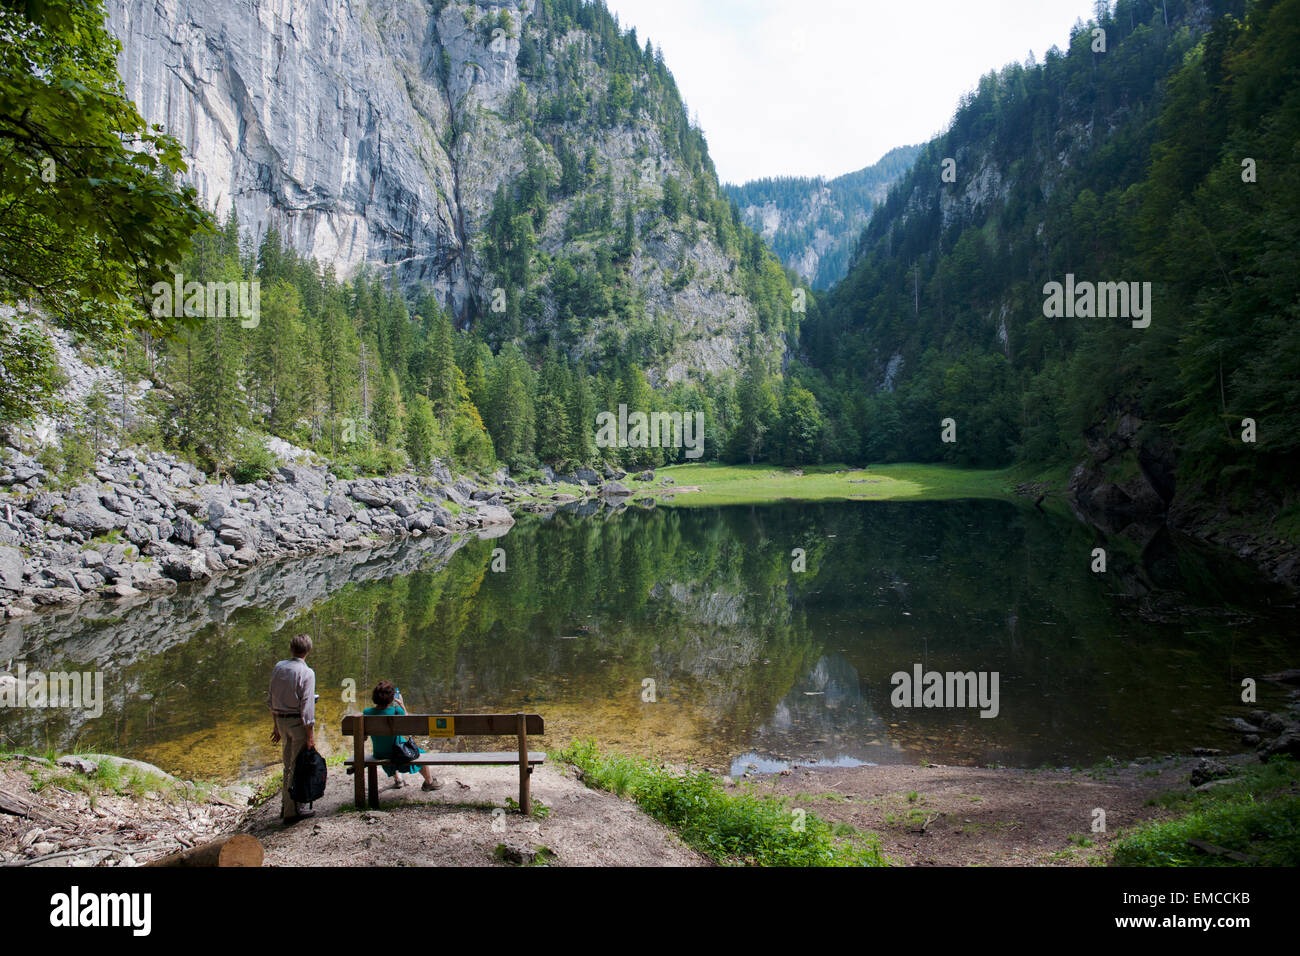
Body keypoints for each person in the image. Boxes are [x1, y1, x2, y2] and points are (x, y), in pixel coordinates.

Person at [267, 633, 318, 822]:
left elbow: (271, 697)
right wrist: (310, 735)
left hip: (281, 720)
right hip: (297, 723)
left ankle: (285, 806)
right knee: (298, 767)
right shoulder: (307, 673)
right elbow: (307, 708)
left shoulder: (279, 667)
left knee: (287, 766)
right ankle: (293, 810)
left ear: (291, 648)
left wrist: (275, 726)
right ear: (308, 651)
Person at [364, 681, 441, 792]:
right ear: (391, 698)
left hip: (379, 753)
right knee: (419, 753)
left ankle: (398, 779)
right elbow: (408, 727)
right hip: (398, 753)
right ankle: (429, 782)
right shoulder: (397, 711)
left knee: (390, 744)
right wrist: (402, 705)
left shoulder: (367, 712)